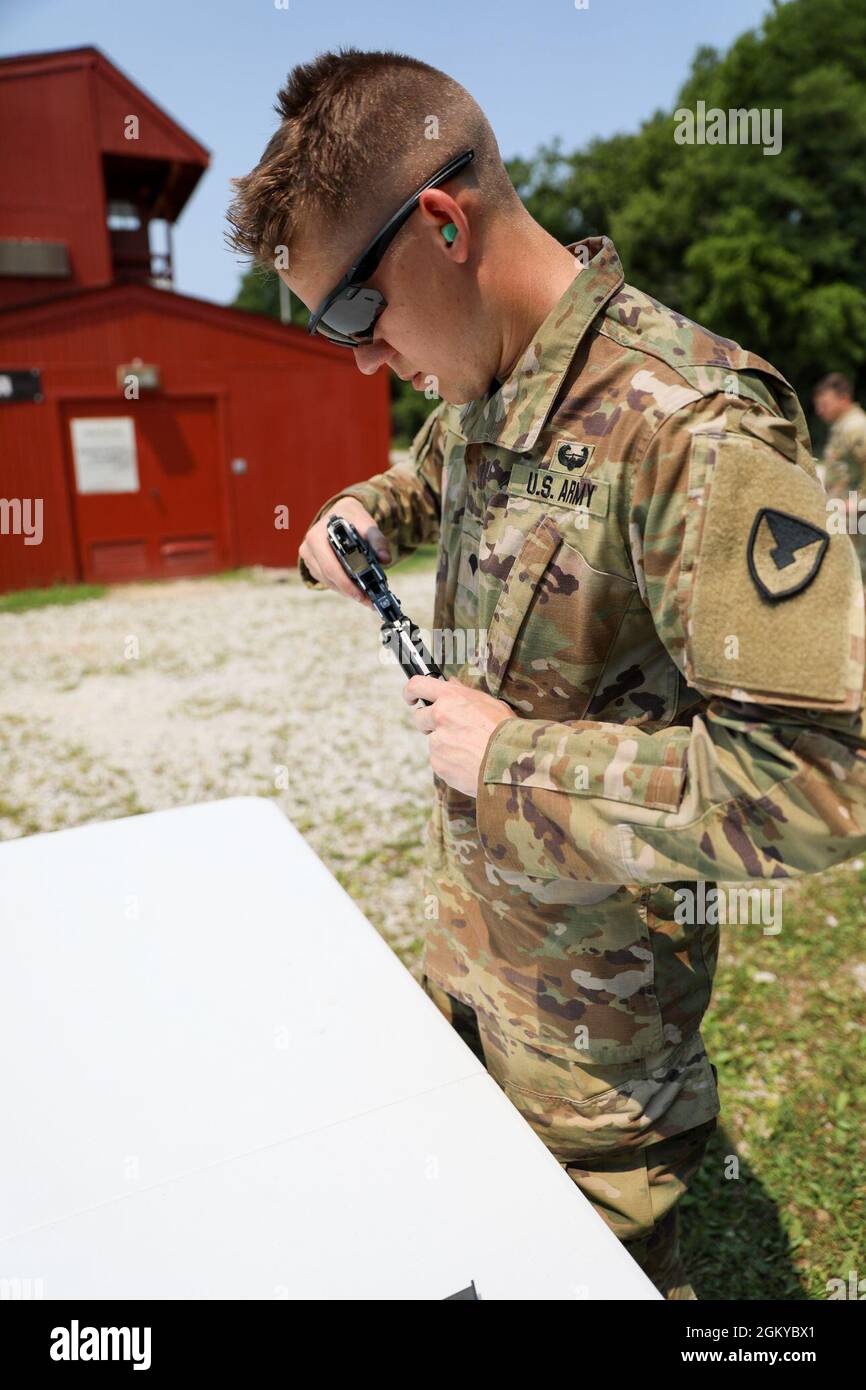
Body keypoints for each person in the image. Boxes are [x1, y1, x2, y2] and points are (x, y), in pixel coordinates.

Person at [226, 48, 866, 1300]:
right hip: (472, 973)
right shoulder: (488, 379)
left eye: (353, 318)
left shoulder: (692, 423)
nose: (358, 361)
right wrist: (362, 510)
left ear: (440, 226)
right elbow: (437, 468)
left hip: (601, 1060)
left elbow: (826, 776)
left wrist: (507, 758)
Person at [814, 372, 866, 581]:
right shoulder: (843, 427)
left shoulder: (855, 426)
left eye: (824, 403)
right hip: (847, 517)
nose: (819, 410)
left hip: (857, 518)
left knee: (857, 576)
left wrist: (860, 503)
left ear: (843, 398)